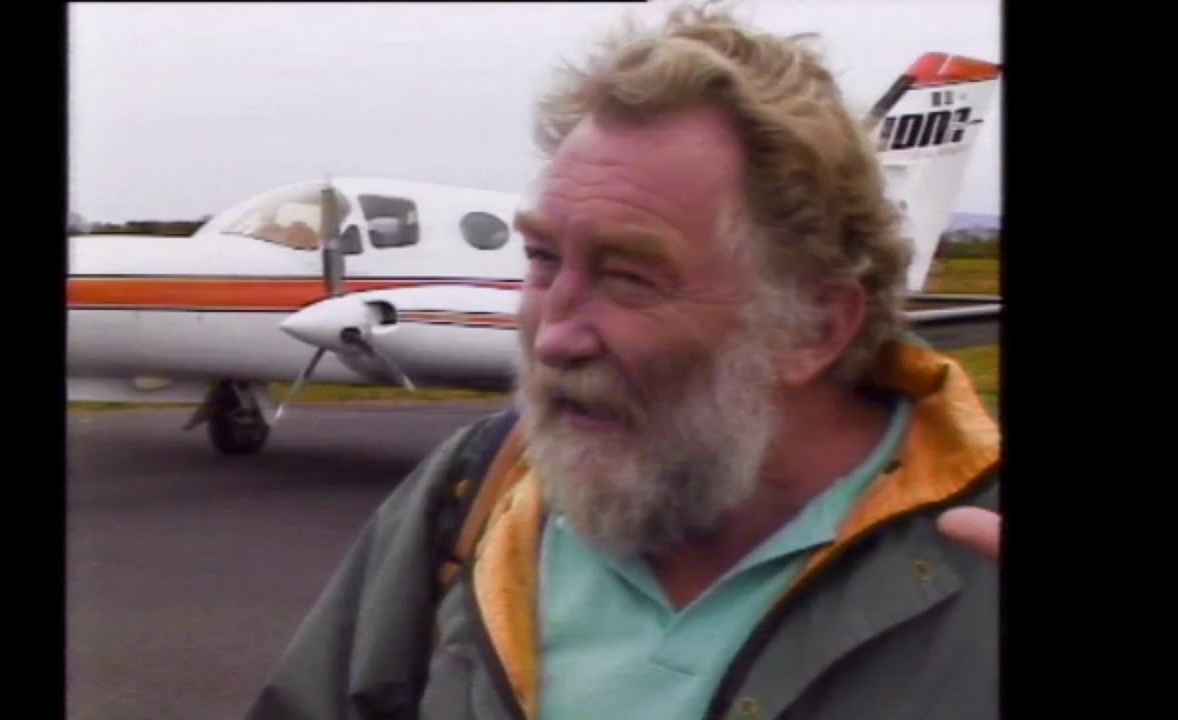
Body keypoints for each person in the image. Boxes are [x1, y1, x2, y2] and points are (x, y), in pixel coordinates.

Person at [245, 3, 1001, 719]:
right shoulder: (468, 493)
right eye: (543, 259)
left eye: (631, 277)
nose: (553, 338)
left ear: (812, 327)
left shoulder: (983, 562)